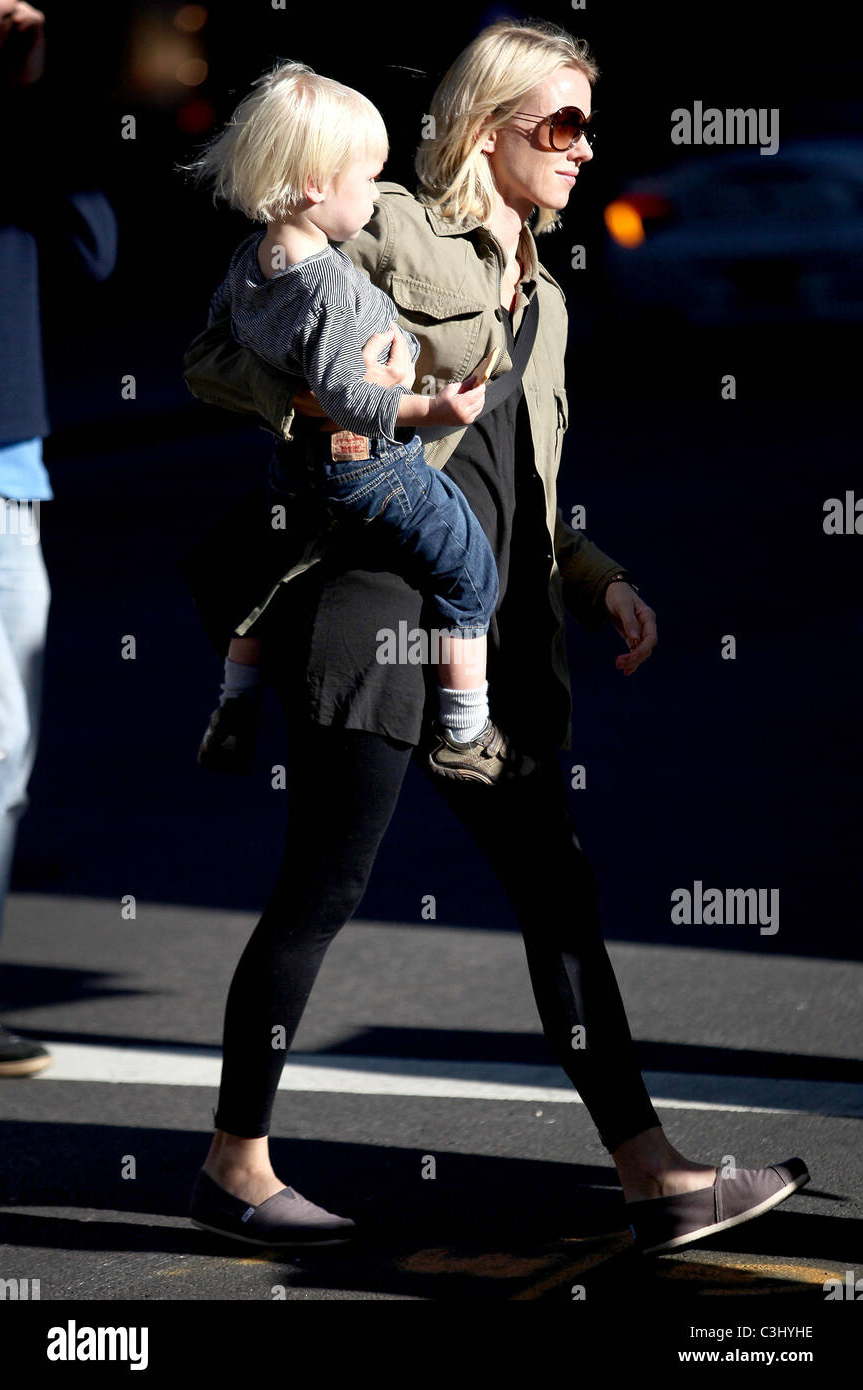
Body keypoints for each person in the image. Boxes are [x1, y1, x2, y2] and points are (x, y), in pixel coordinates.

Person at [182, 19, 809, 1255]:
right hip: (370, 607)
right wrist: (312, 403)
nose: (583, 150)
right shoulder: (391, 225)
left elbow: (511, 482)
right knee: (324, 884)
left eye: (587, 124)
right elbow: (217, 346)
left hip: (494, 631)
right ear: (484, 128)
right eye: (561, 125)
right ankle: (234, 1165)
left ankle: (652, 1175)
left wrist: (595, 576)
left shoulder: (553, 302)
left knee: (556, 891)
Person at [179, 61, 522, 786]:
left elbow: (222, 331)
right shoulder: (337, 287)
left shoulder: (254, 260)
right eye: (366, 179)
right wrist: (437, 407)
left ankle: (233, 710)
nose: (375, 195)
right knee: (468, 568)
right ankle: (465, 731)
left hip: (293, 463)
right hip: (367, 463)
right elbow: (354, 400)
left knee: (272, 575)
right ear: (314, 187)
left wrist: (291, 376)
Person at [0, 0, 118, 1076]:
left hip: (11, 467)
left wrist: (27, 94)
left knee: (7, 760)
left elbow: (95, 243)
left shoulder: (13, 132)